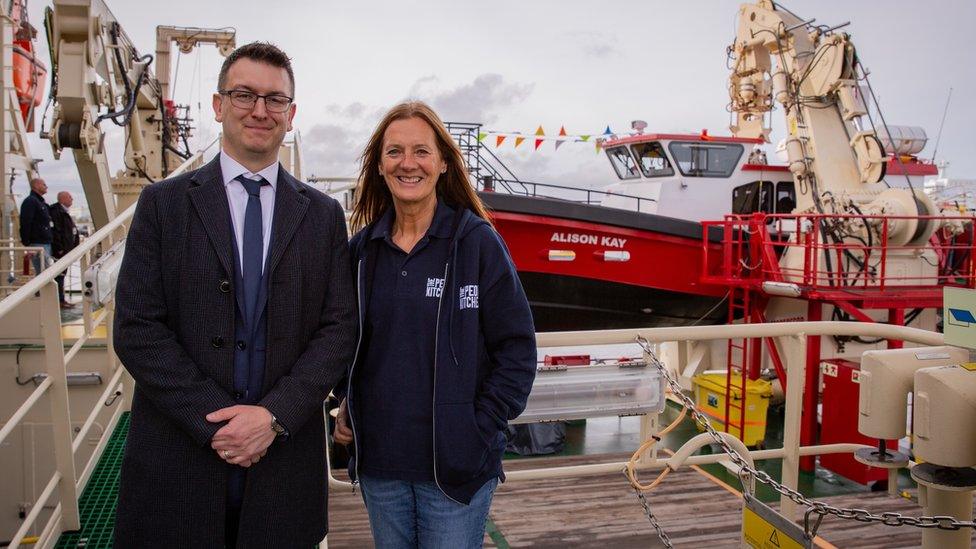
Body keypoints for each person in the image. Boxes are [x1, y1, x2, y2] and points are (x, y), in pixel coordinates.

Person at [112, 42, 357, 548]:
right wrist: (217, 423)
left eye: (275, 100)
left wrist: (273, 416)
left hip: (282, 467)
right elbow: (137, 328)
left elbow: (339, 330)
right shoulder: (162, 205)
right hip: (179, 460)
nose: (260, 110)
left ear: (291, 115)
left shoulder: (323, 216)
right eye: (244, 94)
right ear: (218, 105)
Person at [333, 101, 537, 548]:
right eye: (395, 152)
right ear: (380, 165)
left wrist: (478, 428)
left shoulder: (477, 244)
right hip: (380, 468)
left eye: (422, 151)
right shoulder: (361, 253)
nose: (409, 163)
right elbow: (343, 344)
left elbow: (517, 350)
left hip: (455, 469)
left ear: (443, 163)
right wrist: (346, 401)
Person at [49, 191, 80, 308]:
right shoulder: (57, 212)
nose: (72, 199)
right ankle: (59, 301)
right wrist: (60, 249)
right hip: (61, 252)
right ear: (62, 199)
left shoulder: (63, 212)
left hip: (66, 251)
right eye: (69, 197)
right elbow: (55, 231)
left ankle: (61, 300)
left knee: (61, 275)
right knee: (59, 276)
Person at [18, 177, 52, 276]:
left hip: (45, 243)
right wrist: (27, 242)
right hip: (37, 243)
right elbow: (26, 222)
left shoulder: (41, 203)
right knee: (44, 274)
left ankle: (42, 292)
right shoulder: (31, 201)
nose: (46, 187)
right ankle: (42, 292)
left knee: (46, 272)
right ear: (36, 186)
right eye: (44, 185)